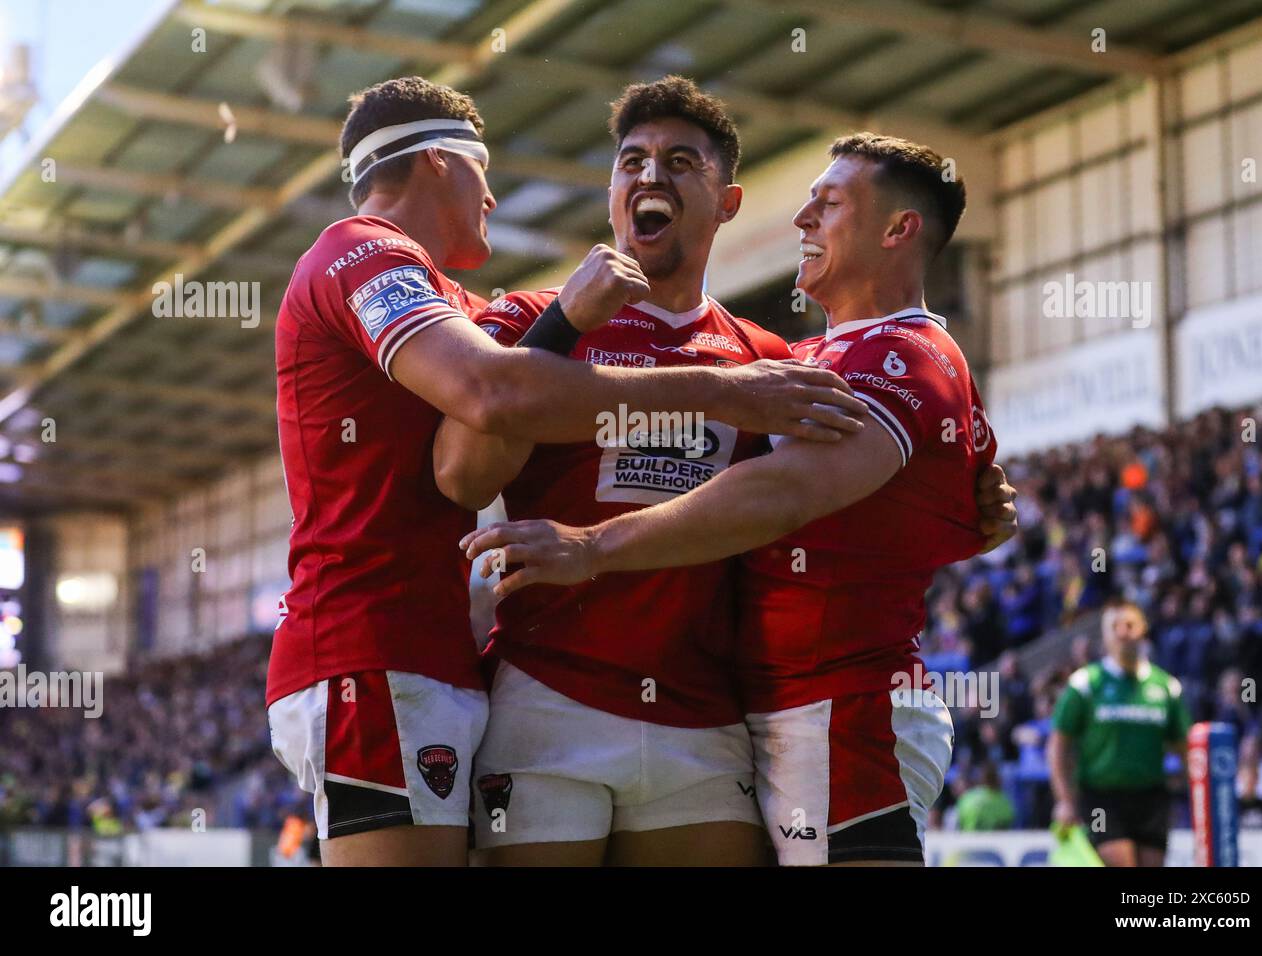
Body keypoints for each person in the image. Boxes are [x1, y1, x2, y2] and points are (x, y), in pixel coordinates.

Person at [267, 76, 870, 867]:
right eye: (631, 162)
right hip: (472, 681)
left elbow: (823, 487)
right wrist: (708, 387)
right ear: (448, 163)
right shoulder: (463, 296)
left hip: (666, 706)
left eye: (681, 162)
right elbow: (468, 459)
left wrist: (964, 488)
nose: (650, 177)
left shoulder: (767, 360)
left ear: (727, 201)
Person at [463, 131, 1017, 866]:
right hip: (771, 710)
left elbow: (780, 493)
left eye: (830, 203)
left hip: (846, 711)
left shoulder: (906, 355)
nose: (804, 220)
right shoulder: (803, 360)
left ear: (897, 228)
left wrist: (591, 545)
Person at [1048, 599, 1191, 867]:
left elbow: (1184, 746)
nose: (1123, 632)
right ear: (1105, 635)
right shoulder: (1085, 684)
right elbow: (1058, 745)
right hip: (1102, 798)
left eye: (1130, 625)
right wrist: (1065, 799)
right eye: (1115, 626)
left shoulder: (1166, 687)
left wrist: (1196, 794)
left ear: (1143, 629)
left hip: (1152, 798)